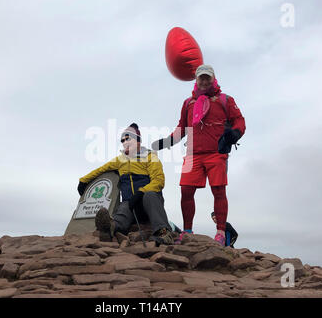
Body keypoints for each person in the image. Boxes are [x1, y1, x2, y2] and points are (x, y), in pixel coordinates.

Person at [151, 64, 246, 246]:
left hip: (217, 153)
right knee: (185, 191)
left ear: (213, 79)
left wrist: (235, 133)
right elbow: (182, 128)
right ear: (196, 80)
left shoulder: (225, 100)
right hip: (192, 153)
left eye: (207, 77)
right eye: (200, 78)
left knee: (218, 191)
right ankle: (187, 231)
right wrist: (167, 142)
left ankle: (220, 232)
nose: (203, 81)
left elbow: (239, 120)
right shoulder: (188, 103)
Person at [77, 123, 174, 245]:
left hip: (148, 201)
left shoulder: (150, 156)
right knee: (122, 211)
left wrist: (141, 192)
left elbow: (159, 181)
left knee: (150, 195)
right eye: (122, 140)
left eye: (128, 139)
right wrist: (83, 180)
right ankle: (109, 229)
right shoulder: (120, 160)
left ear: (138, 141)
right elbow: (101, 169)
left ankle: (163, 233)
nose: (124, 142)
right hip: (130, 204)